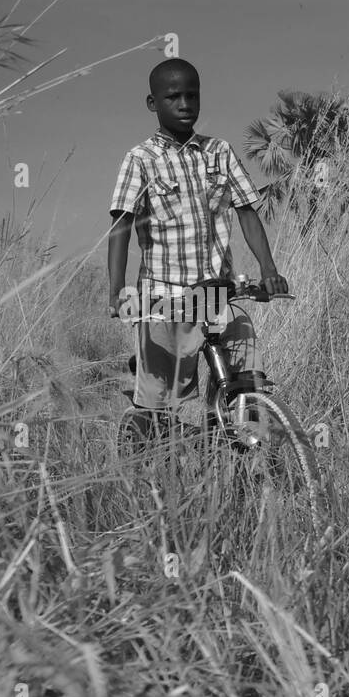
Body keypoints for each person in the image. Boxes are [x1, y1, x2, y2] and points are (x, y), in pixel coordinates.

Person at [106, 58, 289, 450]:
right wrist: (118, 290)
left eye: (192, 95)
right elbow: (121, 225)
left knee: (245, 377)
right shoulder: (141, 160)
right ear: (153, 103)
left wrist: (269, 268)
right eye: (174, 97)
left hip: (217, 293)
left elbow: (246, 210)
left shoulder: (219, 153)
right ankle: (150, 476)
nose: (185, 103)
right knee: (159, 407)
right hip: (164, 300)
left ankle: (238, 459)